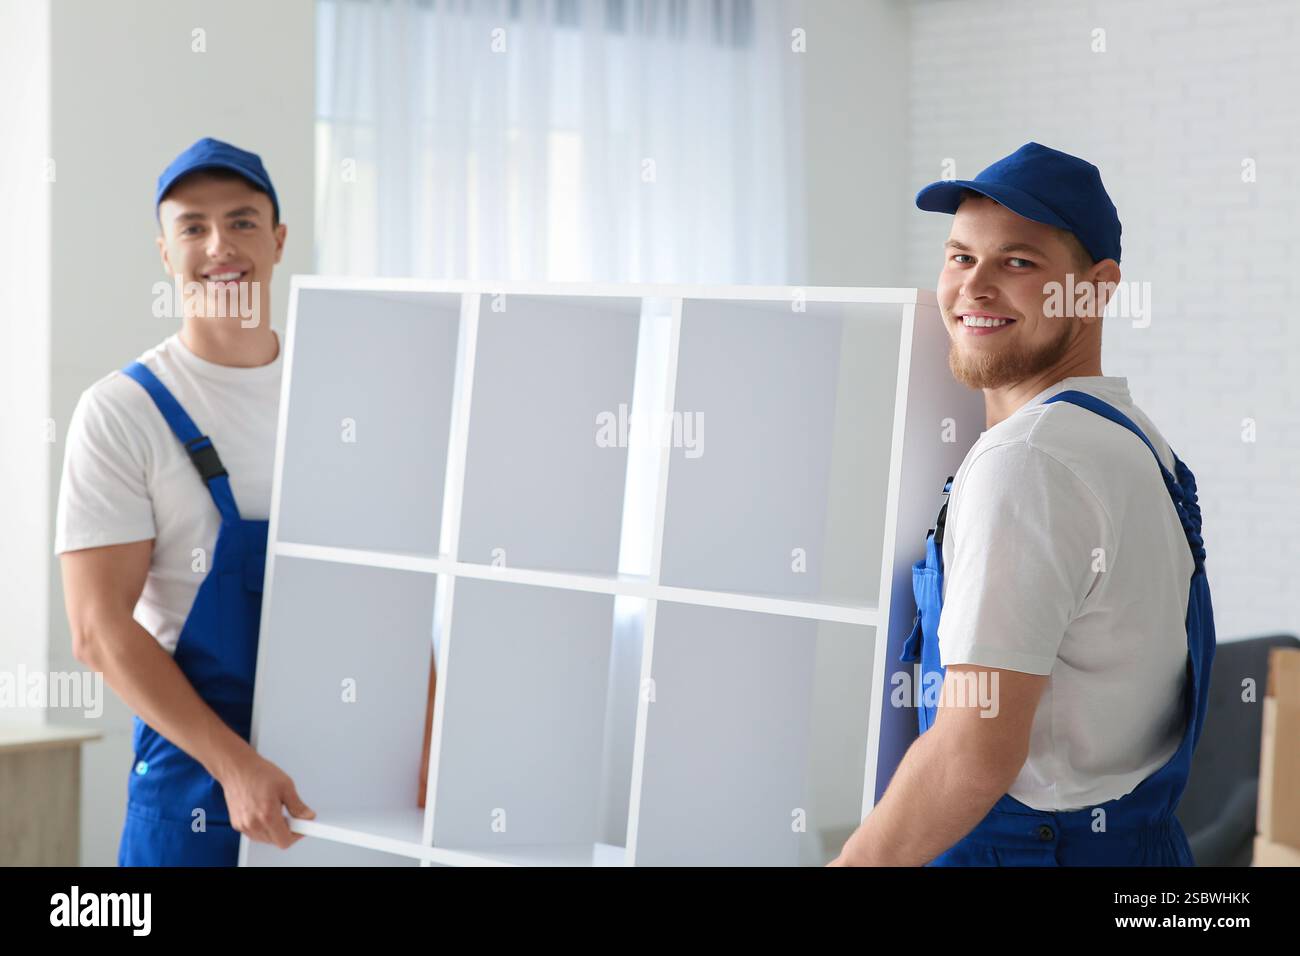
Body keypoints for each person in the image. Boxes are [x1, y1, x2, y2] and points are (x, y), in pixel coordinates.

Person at [831, 142, 1215, 866]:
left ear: (1097, 290)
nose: (972, 288)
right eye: (959, 256)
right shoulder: (1130, 439)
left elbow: (971, 756)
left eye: (1017, 262)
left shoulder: (1029, 462)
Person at [57, 137, 315, 866]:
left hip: (337, 759)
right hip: (196, 772)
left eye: (241, 221)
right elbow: (98, 631)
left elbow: (388, 586)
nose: (219, 245)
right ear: (165, 254)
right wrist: (235, 765)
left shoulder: (336, 389)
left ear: (278, 239)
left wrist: (423, 744)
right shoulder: (123, 410)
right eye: (192, 227)